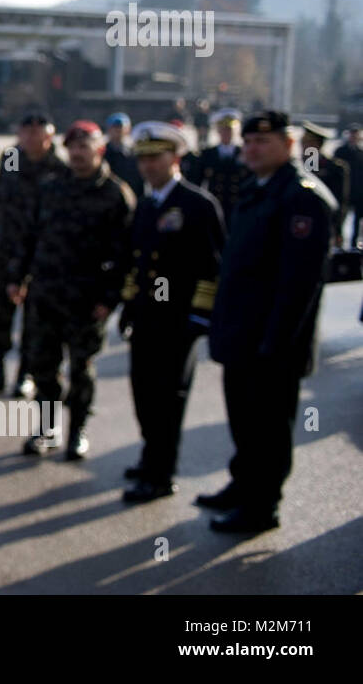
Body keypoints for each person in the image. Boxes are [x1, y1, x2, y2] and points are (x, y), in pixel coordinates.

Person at [201, 111, 334, 533]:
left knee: (269, 429)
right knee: (244, 420)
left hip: (272, 344)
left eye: (264, 142)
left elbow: (298, 287)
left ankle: (262, 506)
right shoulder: (256, 189)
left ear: (288, 145)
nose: (253, 149)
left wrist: (274, 345)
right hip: (241, 336)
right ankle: (243, 486)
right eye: (249, 142)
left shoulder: (302, 197)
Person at [9, 121, 134, 459]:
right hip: (45, 295)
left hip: (87, 299)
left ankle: (77, 430)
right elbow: (29, 237)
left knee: (82, 369)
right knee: (43, 367)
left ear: (100, 149)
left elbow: (126, 255)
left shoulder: (115, 194)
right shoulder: (50, 188)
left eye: (85, 147)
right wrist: (16, 277)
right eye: (73, 148)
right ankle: (47, 428)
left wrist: (111, 300)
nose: (78, 154)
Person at [119, 122, 225, 503]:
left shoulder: (197, 204)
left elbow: (212, 267)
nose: (147, 165)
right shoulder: (147, 205)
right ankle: (151, 456)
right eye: (143, 158)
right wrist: (129, 305)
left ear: (175, 158)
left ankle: (161, 474)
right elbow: (137, 261)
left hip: (177, 320)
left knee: (167, 398)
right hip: (148, 316)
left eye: (155, 157)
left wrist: (199, 317)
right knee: (143, 392)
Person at [0, 112, 68, 397]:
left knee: (33, 321)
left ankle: (25, 374)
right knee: (0, 318)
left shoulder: (59, 169)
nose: (31, 137)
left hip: (41, 260)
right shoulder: (12, 160)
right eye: (26, 131)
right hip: (7, 255)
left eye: (38, 132)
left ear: (50, 135)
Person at [298, 122, 348, 246]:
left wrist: (337, 230)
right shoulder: (296, 166)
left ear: (318, 145)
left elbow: (340, 202)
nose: (305, 146)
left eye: (309, 143)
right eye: (303, 143)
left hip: (323, 225)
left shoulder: (334, 168)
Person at [194, 108, 249, 221]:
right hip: (214, 206)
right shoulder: (208, 154)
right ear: (218, 131)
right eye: (223, 129)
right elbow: (197, 182)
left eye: (230, 130)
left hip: (238, 207)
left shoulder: (244, 153)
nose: (227, 133)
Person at [333, 124, 363, 247]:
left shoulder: (361, 153)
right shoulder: (340, 151)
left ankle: (353, 244)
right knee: (340, 219)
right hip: (343, 191)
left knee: (357, 221)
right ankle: (338, 243)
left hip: (358, 192)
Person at [103, 112, 144, 198]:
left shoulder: (135, 153)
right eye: (115, 127)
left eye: (121, 127)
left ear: (128, 129)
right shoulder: (101, 153)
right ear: (108, 129)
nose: (118, 130)